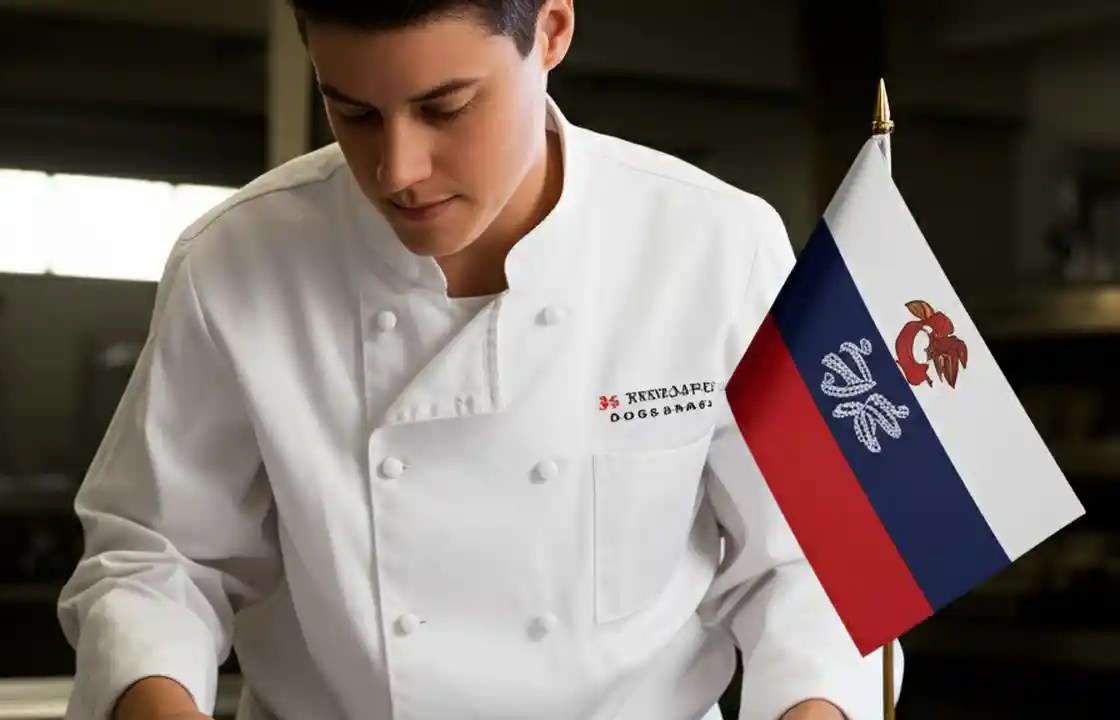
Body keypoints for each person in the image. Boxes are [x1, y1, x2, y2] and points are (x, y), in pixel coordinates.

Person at [57, 1, 903, 719]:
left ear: (553, 30)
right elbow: (160, 559)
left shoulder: (720, 242)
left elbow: (822, 563)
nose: (398, 169)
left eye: (446, 107)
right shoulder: (233, 259)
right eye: (351, 112)